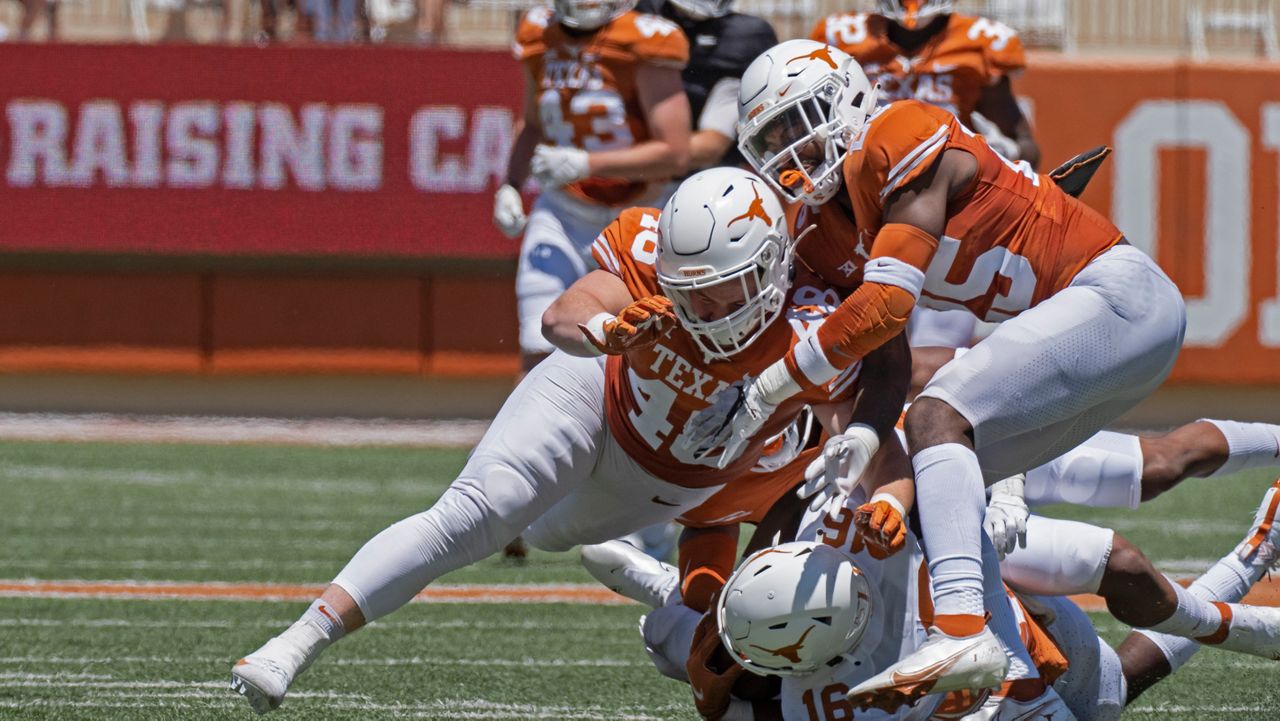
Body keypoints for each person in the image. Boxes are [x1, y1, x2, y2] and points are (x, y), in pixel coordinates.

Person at [228, 166, 908, 714]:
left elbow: (882, 393)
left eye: (724, 292)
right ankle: (295, 642)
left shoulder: (809, 327)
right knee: (480, 510)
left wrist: (874, 458)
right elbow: (566, 311)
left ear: (769, 273)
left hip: (662, 487)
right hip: (594, 397)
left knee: (680, 615)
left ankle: (672, 592)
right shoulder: (645, 252)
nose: (705, 311)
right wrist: (603, 332)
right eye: (689, 292)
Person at [690, 38, 1189, 703]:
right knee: (943, 474)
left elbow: (888, 303)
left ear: (845, 101)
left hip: (1120, 297)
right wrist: (862, 439)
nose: (793, 152)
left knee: (938, 416)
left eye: (800, 125)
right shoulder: (820, 229)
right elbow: (887, 359)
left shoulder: (898, 131)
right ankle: (1004, 656)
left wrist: (768, 385)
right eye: (774, 140)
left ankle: (960, 631)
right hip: (1097, 337)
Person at [603, 474, 1280, 720]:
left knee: (1108, 688)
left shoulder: (858, 544)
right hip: (975, 649)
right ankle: (1253, 553)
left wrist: (1002, 491)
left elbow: (942, 429)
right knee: (702, 646)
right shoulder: (855, 533)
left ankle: (1251, 555)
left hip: (1009, 632)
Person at [812, 0, 1042, 351]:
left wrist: (1004, 151)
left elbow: (1026, 144)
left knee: (931, 362)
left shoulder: (979, 42)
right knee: (869, 351)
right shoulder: (844, 38)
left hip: (949, 226)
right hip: (866, 218)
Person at [492, 0, 692, 374]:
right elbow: (534, 122)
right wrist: (511, 184)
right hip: (563, 211)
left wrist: (587, 164)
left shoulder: (645, 39)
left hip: (637, 215)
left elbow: (675, 152)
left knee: (646, 348)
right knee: (538, 343)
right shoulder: (537, 31)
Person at [635, 0, 777, 170]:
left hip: (705, 172)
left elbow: (710, 147)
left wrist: (602, 162)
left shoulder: (744, 37)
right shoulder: (634, 19)